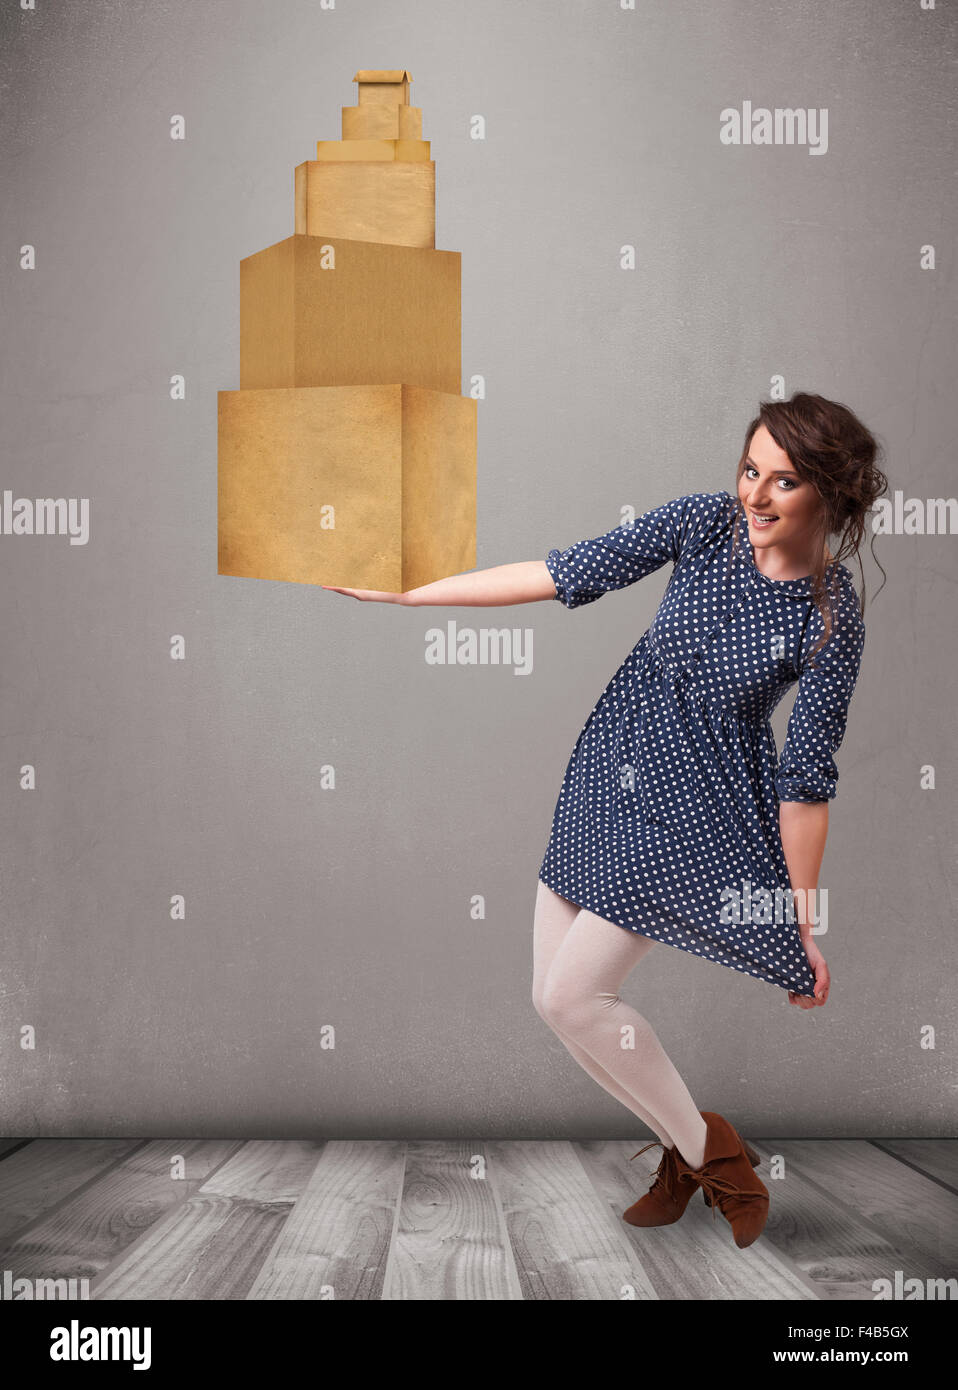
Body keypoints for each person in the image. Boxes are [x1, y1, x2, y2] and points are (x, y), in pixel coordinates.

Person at [323, 391, 887, 1249]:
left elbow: (806, 781)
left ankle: (715, 1155)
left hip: (695, 811)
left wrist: (800, 916)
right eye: (749, 470)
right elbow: (561, 572)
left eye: (785, 481)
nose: (757, 495)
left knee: (572, 994)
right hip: (606, 774)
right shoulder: (702, 527)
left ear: (832, 496)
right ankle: (688, 1147)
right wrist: (406, 594)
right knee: (553, 1002)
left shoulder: (830, 618)